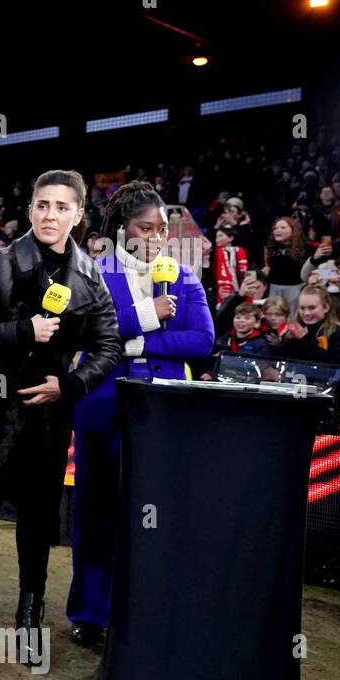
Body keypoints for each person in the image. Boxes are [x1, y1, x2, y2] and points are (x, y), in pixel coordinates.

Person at [0, 169, 121, 665]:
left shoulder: (90, 276)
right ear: (30, 210)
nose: (50, 215)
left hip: (47, 417)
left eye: (62, 207)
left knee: (38, 520)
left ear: (79, 215)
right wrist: (24, 330)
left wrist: (72, 385)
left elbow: (108, 345)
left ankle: (30, 612)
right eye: (42, 205)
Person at [67, 181, 214, 644]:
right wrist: (149, 313)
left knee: (153, 514)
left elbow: (202, 341)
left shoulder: (184, 277)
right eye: (144, 228)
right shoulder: (93, 272)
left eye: (162, 229)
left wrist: (132, 342)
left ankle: (146, 611)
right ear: (122, 230)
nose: (154, 237)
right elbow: (87, 333)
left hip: (162, 412)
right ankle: (91, 614)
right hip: (103, 409)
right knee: (96, 515)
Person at [262, 216, 309, 312]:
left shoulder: (305, 247)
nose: (277, 230)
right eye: (275, 228)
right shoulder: (271, 247)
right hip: (274, 287)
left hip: (295, 288)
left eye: (283, 228)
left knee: (293, 317)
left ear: (294, 230)